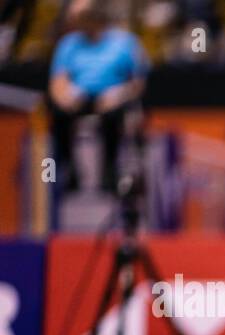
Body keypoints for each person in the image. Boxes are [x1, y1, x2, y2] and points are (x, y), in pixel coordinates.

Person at [47, 0, 149, 195]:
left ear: (97, 17)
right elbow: (57, 82)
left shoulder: (125, 42)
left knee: (113, 116)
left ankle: (108, 172)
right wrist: (65, 97)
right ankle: (71, 171)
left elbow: (138, 83)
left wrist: (119, 94)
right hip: (80, 98)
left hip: (112, 98)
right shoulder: (68, 44)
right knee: (58, 113)